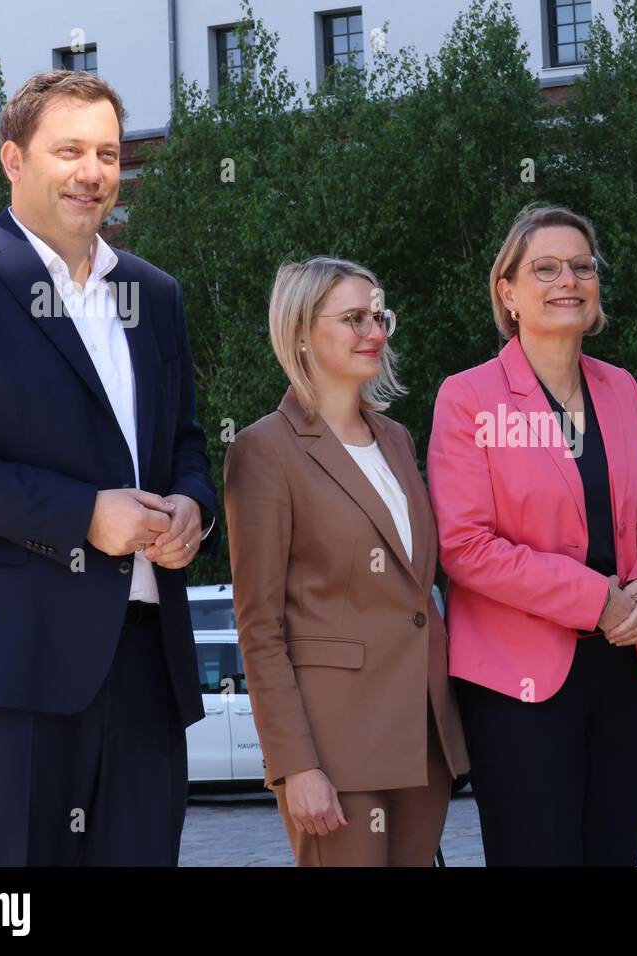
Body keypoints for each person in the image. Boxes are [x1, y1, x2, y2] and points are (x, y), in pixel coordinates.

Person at [0, 70, 217, 865]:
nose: (93, 171)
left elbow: (188, 443)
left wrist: (193, 505)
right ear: (12, 159)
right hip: (0, 666)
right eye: (68, 150)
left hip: (142, 661)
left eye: (106, 152)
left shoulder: (154, 294)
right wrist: (83, 515)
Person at [427, 204, 637, 866]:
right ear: (507, 292)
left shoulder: (620, 390)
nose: (568, 280)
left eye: (582, 266)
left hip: (621, 670)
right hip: (518, 685)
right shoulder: (468, 397)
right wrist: (594, 598)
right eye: (546, 268)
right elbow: (464, 546)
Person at [224, 257, 469, 866]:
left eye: (379, 316)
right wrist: (295, 765)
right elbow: (260, 629)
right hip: (334, 748)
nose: (376, 332)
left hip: (422, 737)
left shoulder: (397, 440)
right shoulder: (263, 450)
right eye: (354, 318)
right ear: (303, 332)